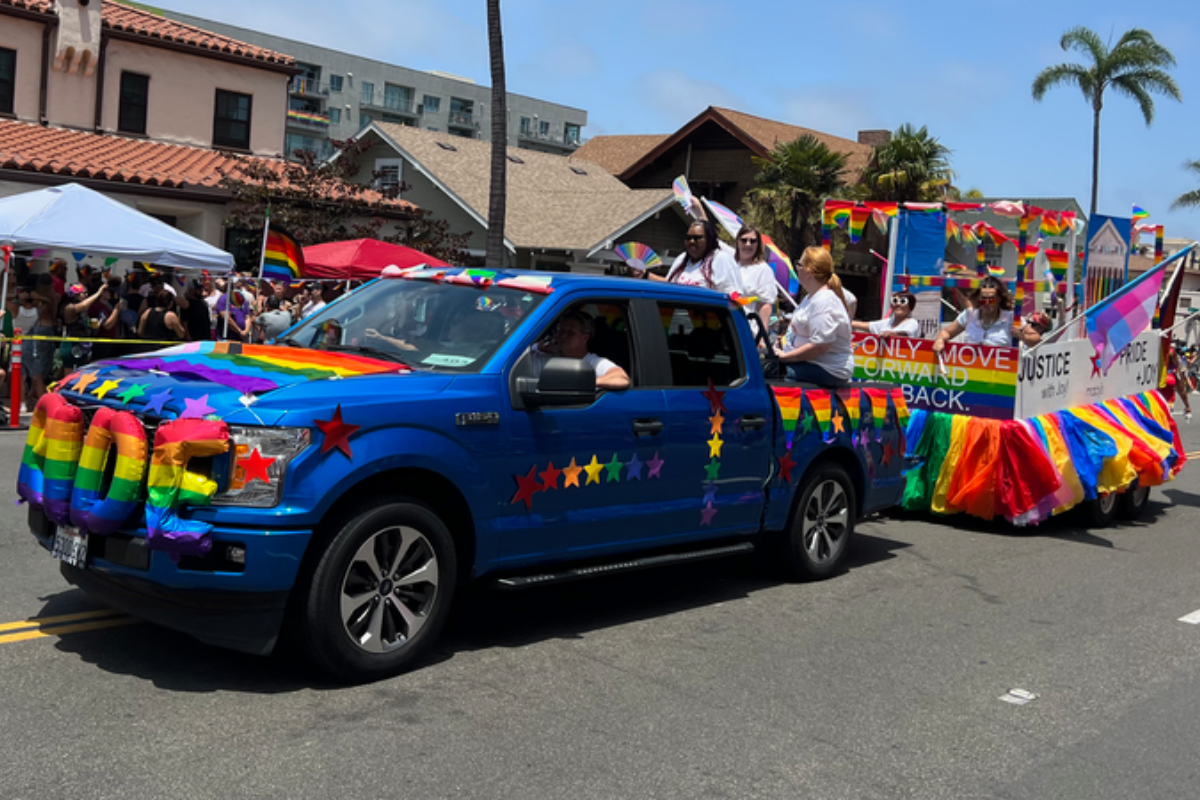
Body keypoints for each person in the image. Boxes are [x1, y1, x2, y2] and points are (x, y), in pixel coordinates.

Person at [774, 247, 854, 387]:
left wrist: (786, 357)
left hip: (827, 369)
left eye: (799, 264)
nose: (797, 268)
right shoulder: (812, 297)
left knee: (772, 373)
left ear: (809, 271)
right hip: (810, 363)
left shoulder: (823, 301)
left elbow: (820, 346)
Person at [634, 220, 743, 295]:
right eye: (688, 238)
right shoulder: (682, 259)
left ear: (709, 239)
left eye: (697, 238)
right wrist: (645, 275)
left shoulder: (721, 259)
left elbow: (733, 295)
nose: (691, 242)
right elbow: (669, 285)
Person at [531, 310, 630, 390]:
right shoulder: (547, 361)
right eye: (561, 331)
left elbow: (622, 378)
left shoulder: (594, 363)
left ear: (584, 338)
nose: (563, 336)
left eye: (570, 333)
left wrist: (585, 382)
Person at [932, 276, 1017, 353]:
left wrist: (1022, 335)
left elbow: (1029, 337)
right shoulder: (969, 315)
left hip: (1000, 369)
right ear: (978, 299)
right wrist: (940, 340)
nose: (986, 303)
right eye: (983, 299)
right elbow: (946, 332)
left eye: (991, 300)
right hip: (970, 368)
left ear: (999, 299)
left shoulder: (1010, 318)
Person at [25, 273, 60, 408]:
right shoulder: (50, 297)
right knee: (40, 366)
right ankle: (33, 395)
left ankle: (35, 397)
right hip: (45, 330)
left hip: (41, 331)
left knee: (38, 368)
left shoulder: (44, 298)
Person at [852, 291, 919, 338]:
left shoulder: (912, 323)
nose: (898, 304)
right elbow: (866, 325)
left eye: (903, 301)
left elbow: (906, 334)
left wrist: (891, 334)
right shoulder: (887, 322)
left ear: (910, 307)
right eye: (895, 301)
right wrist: (846, 321)